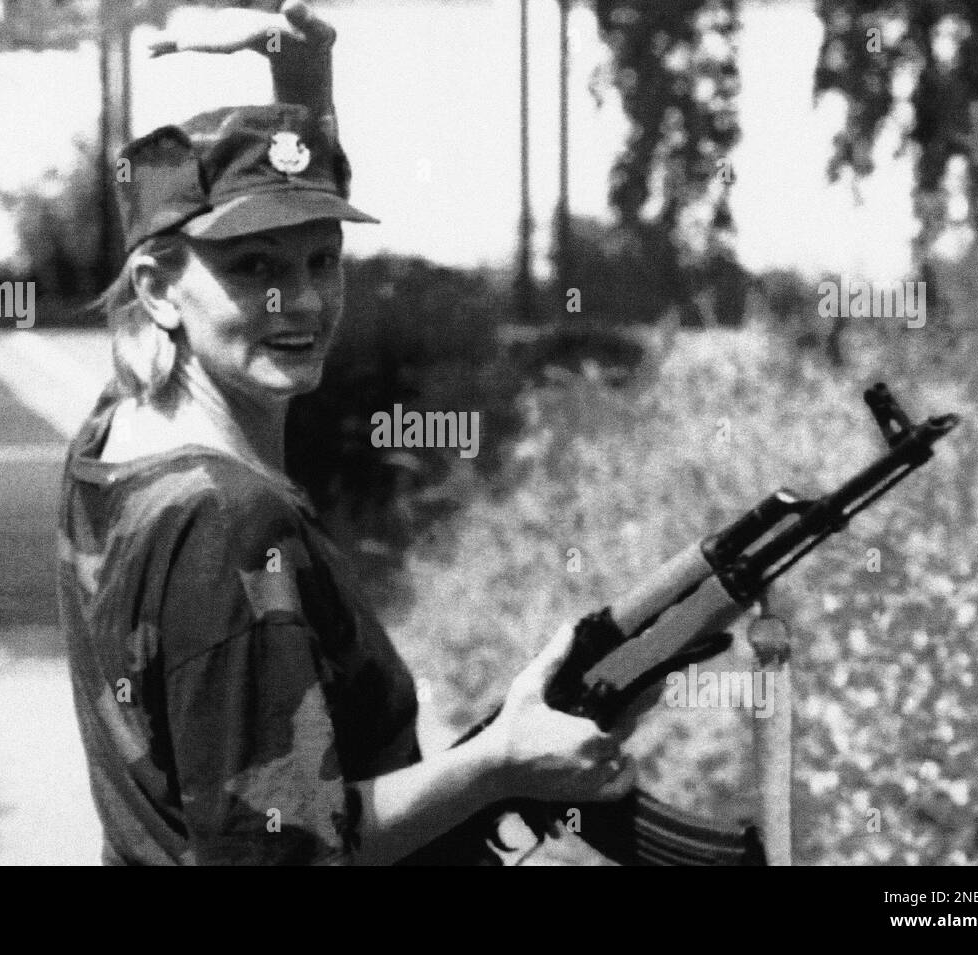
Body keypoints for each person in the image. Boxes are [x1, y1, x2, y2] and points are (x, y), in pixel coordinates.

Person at [57, 1, 635, 865]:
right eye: (254, 268)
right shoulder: (231, 521)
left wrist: (301, 88)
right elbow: (282, 849)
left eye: (322, 259)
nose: (305, 302)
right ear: (157, 288)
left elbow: (281, 204)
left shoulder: (112, 441)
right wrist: (499, 761)